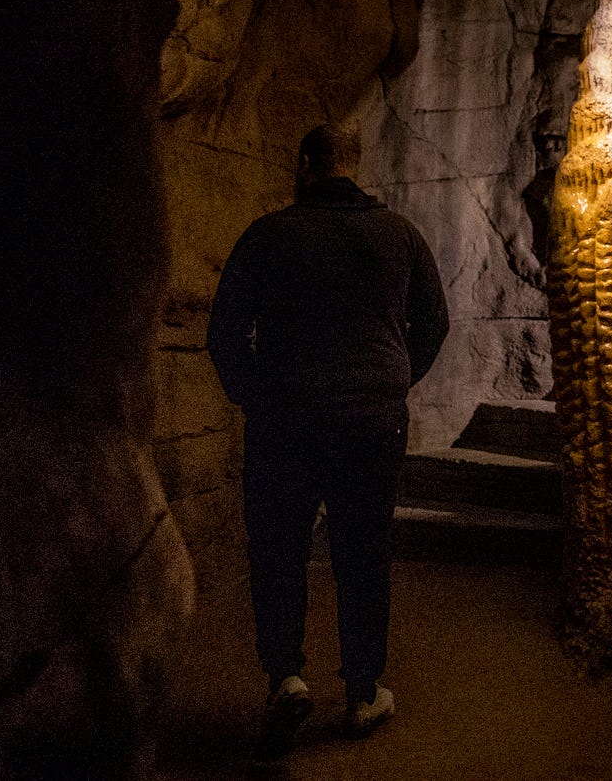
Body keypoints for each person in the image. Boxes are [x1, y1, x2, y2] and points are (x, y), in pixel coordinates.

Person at [207, 123, 450, 762]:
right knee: (363, 552)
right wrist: (389, 381)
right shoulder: (400, 236)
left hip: (284, 418)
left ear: (305, 164)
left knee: (279, 547)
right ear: (354, 166)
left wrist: (251, 390)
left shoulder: (269, 235)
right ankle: (363, 692)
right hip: (371, 423)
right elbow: (434, 323)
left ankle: (286, 677)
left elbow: (224, 329)